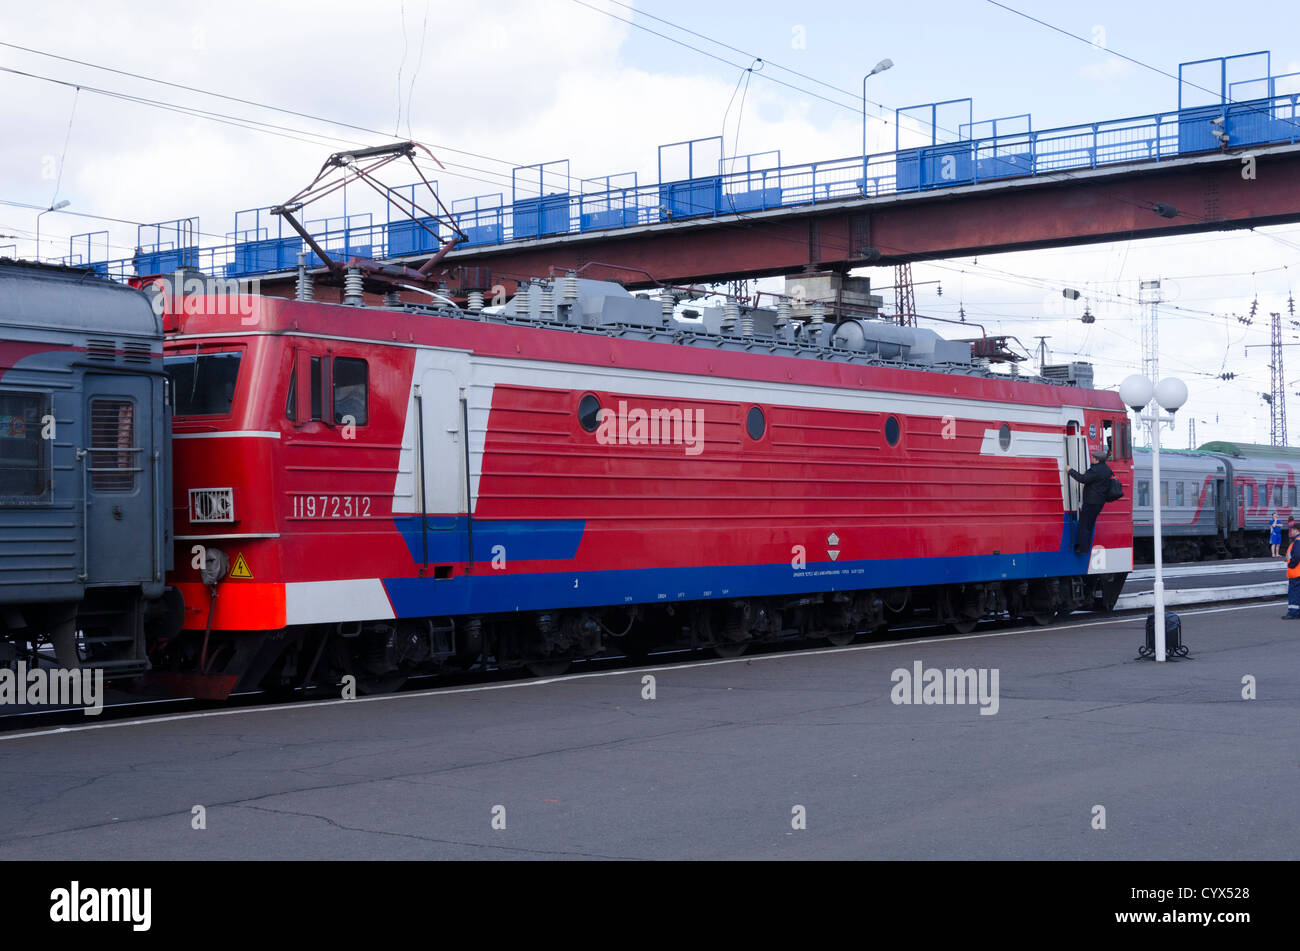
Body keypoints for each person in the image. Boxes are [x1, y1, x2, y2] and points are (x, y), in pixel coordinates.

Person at [1067, 447, 1114, 556]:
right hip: (1099, 502)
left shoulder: (1095, 470)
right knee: (1089, 525)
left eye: (1093, 458)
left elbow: (1082, 479)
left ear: (1097, 460)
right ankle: (1085, 548)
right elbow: (1094, 479)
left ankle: (1081, 549)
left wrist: (1070, 470)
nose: (1091, 459)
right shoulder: (1106, 469)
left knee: (1084, 525)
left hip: (1091, 502)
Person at [1284, 523, 1300, 619]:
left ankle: (1293, 613)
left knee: (1294, 593)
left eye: (1292, 530)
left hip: (1296, 572)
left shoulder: (1297, 541)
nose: (1291, 532)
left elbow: (1297, 555)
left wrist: (1291, 564)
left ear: (1297, 530)